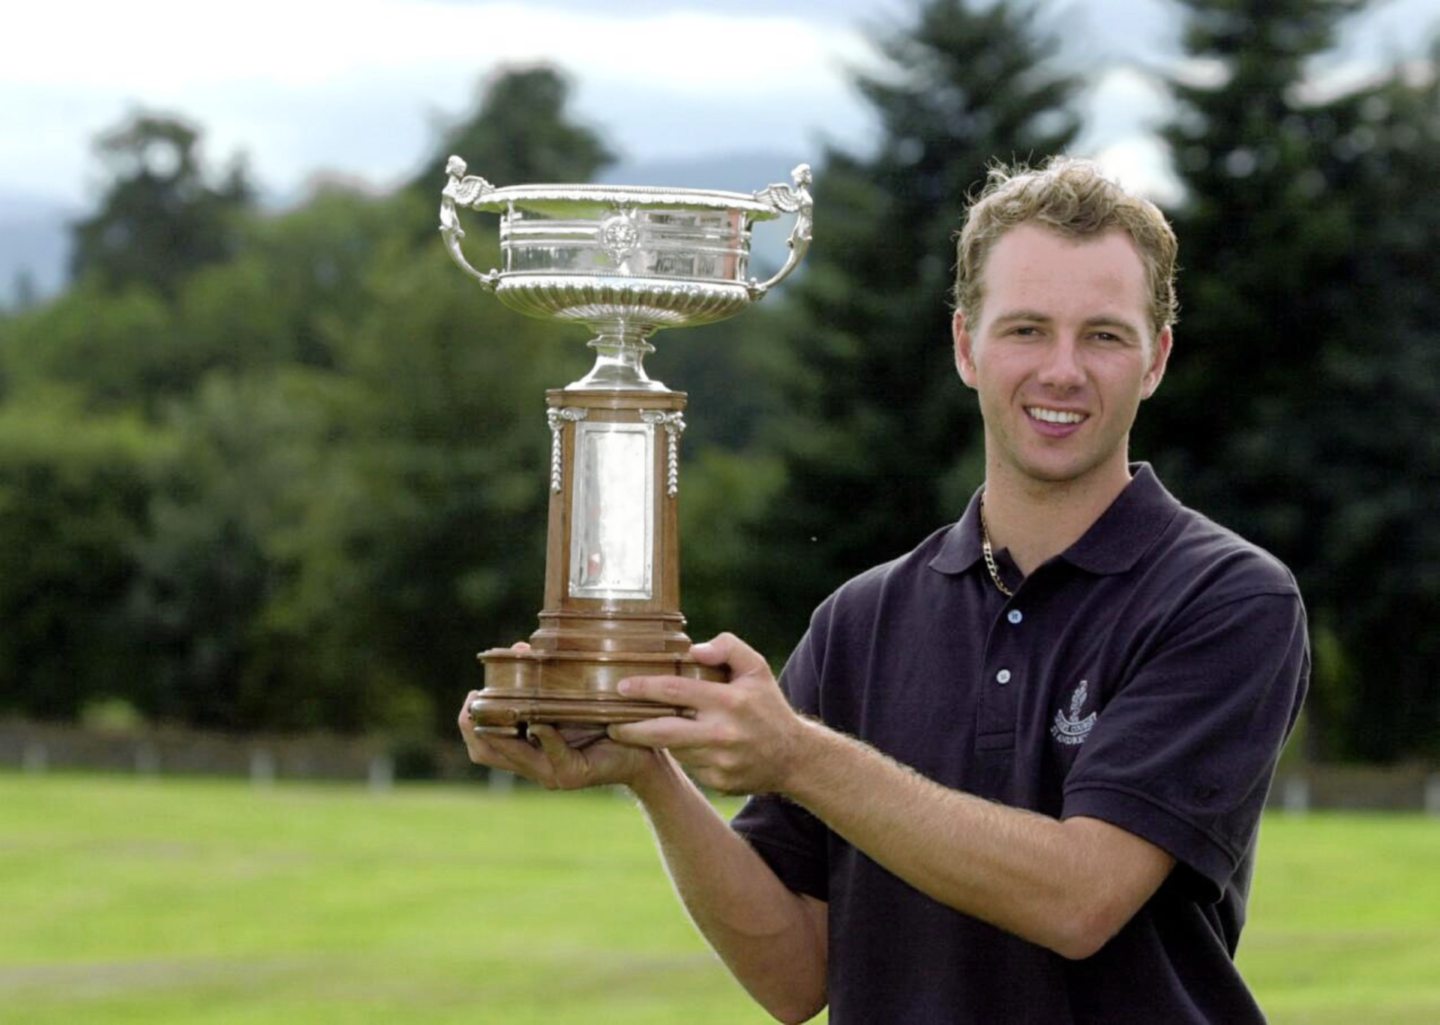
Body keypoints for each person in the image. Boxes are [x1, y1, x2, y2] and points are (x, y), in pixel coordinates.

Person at [459, 157, 1309, 1024]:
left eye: (1104, 336)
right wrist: (652, 772)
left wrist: (799, 755)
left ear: (1156, 359)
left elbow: (1080, 898)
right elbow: (794, 975)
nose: (1062, 370)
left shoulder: (1228, 599)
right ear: (965, 345)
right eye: (1026, 329)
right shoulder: (860, 621)